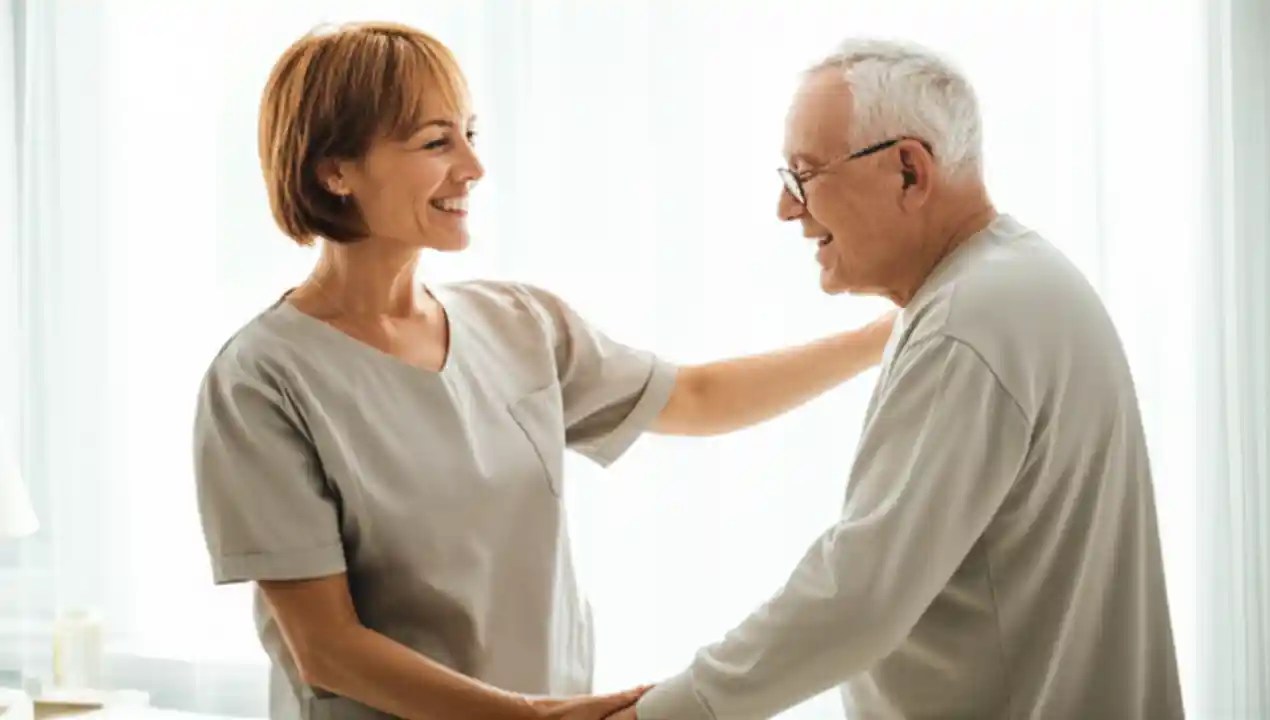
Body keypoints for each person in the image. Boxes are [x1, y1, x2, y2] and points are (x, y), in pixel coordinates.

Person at [191, 22, 894, 720]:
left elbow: (699, 397)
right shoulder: (262, 380)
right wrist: (524, 718)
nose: (472, 166)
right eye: (437, 142)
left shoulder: (519, 324)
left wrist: (892, 333)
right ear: (334, 171)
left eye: (471, 134)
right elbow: (328, 649)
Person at [622, 39, 1184, 720]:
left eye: (804, 174)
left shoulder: (967, 321)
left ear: (909, 173)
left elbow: (860, 596)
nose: (785, 208)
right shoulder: (1018, 283)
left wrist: (661, 713)